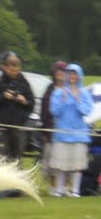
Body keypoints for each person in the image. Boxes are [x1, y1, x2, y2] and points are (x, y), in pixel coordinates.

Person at [49, 63, 93, 197]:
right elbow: (54, 111)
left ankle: (75, 190)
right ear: (66, 76)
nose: (72, 76)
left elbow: (86, 111)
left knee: (77, 165)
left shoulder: (84, 93)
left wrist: (78, 101)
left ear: (79, 76)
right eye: (70, 74)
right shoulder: (58, 92)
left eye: (75, 74)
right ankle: (59, 190)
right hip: (62, 133)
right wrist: (62, 100)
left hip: (79, 134)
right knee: (61, 163)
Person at [0, 51, 35, 165]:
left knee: (16, 160)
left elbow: (31, 103)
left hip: (18, 129)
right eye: (10, 66)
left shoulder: (24, 83)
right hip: (1, 129)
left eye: (16, 66)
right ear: (4, 67)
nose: (13, 69)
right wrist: (3, 96)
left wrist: (24, 101)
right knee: (0, 159)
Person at [40, 61, 67, 196]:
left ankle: (64, 187)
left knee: (65, 160)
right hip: (51, 131)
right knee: (51, 159)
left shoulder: (70, 89)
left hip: (66, 131)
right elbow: (44, 112)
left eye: (62, 71)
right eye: (58, 71)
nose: (60, 74)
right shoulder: (49, 90)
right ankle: (53, 187)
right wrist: (44, 130)